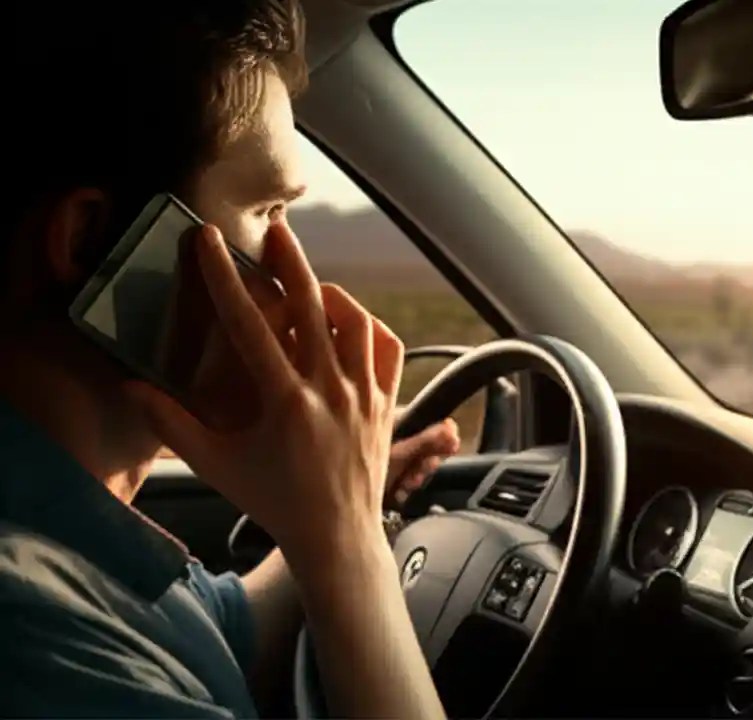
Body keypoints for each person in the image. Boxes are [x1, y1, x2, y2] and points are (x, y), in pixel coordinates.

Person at [0, 1, 457, 717]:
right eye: (270, 212)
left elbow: (222, 630)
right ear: (93, 244)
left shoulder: (67, 530)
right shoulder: (29, 635)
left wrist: (345, 496)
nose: (293, 267)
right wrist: (348, 544)